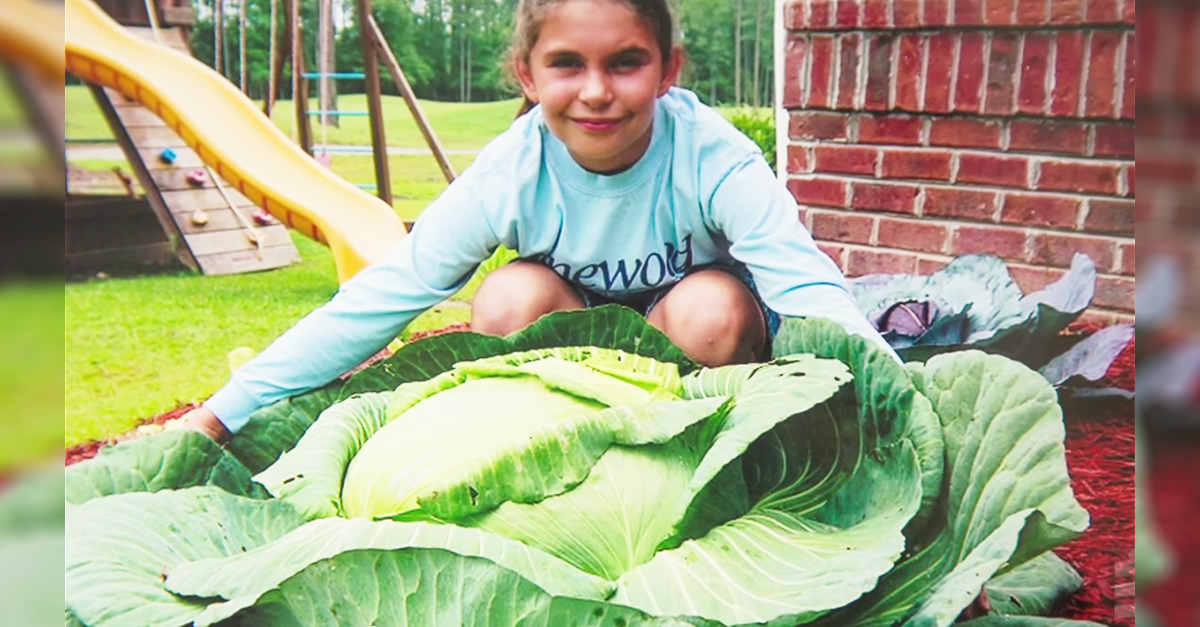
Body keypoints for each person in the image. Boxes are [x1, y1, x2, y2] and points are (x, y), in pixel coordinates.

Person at [181, 0, 895, 442]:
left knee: (711, 308)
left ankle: (701, 465)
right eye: (565, 64)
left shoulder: (714, 156)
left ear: (667, 68)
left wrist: (907, 415)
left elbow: (808, 289)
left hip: (697, 361)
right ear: (527, 74)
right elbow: (384, 293)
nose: (595, 92)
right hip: (575, 356)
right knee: (507, 298)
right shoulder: (510, 172)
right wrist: (224, 412)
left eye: (625, 62)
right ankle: (560, 456)